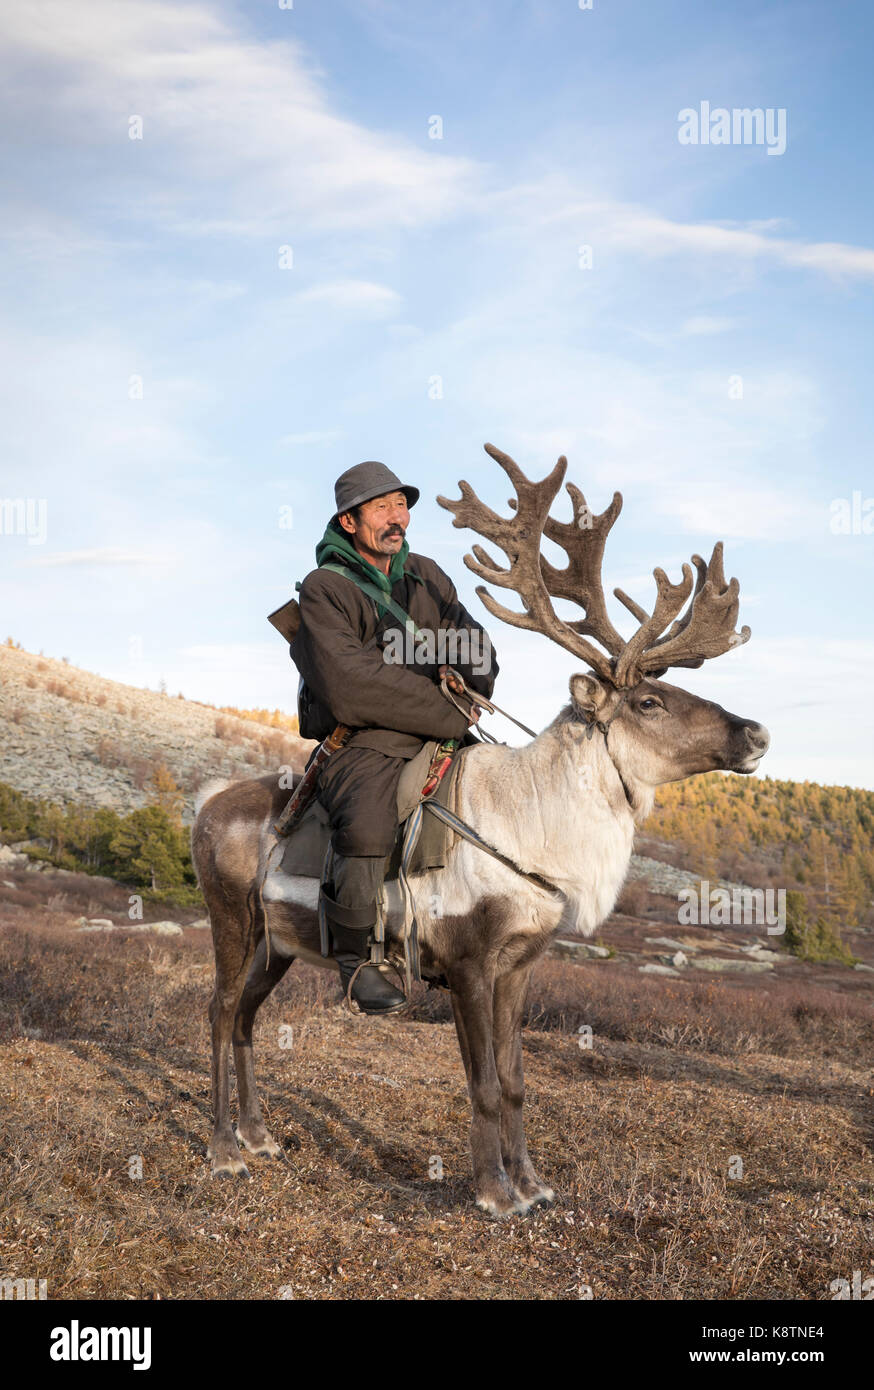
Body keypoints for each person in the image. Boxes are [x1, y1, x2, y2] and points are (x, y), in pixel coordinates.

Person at [290, 460, 498, 1013]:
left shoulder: (429, 575)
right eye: (381, 507)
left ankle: (454, 938)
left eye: (401, 505)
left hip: (440, 728)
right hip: (365, 738)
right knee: (365, 817)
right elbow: (352, 685)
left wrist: (468, 678)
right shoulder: (325, 589)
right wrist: (448, 711)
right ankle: (357, 960)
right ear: (350, 521)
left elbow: (477, 645)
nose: (396, 517)